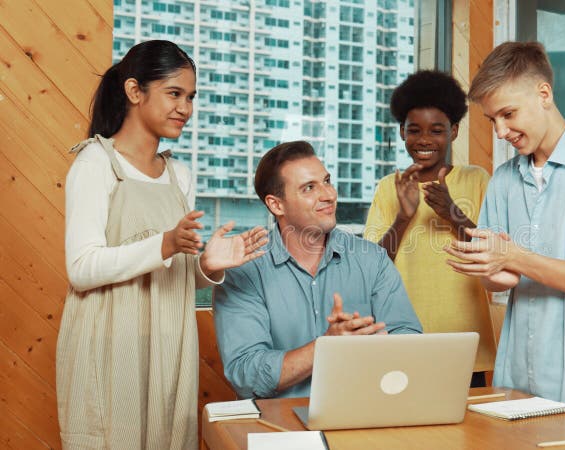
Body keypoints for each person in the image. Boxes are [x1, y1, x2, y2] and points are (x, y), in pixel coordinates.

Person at [56, 40, 268, 450]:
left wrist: (209, 265)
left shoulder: (180, 175)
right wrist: (167, 243)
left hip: (169, 345)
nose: (186, 109)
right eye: (174, 94)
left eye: (190, 97)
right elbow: (81, 269)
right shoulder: (95, 163)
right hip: (109, 346)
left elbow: (179, 277)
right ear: (135, 92)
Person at [444, 41, 565, 428]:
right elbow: (501, 280)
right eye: (492, 120)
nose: (501, 131)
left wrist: (512, 256)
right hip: (520, 386)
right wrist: (482, 264)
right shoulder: (503, 180)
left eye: (508, 113)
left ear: (544, 94)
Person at [213, 141, 422, 399]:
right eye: (309, 188)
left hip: (361, 416)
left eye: (327, 181)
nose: (328, 195)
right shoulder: (244, 272)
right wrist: (326, 348)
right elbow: (246, 374)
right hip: (277, 426)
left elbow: (410, 341)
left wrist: (375, 342)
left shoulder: (373, 260)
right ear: (276, 205)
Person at [363, 70, 495, 385]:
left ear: (454, 131)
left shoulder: (476, 180)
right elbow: (370, 266)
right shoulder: (387, 188)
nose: (424, 140)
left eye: (436, 130)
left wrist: (453, 214)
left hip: (464, 339)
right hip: (400, 336)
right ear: (401, 132)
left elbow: (494, 254)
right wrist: (403, 217)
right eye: (414, 130)